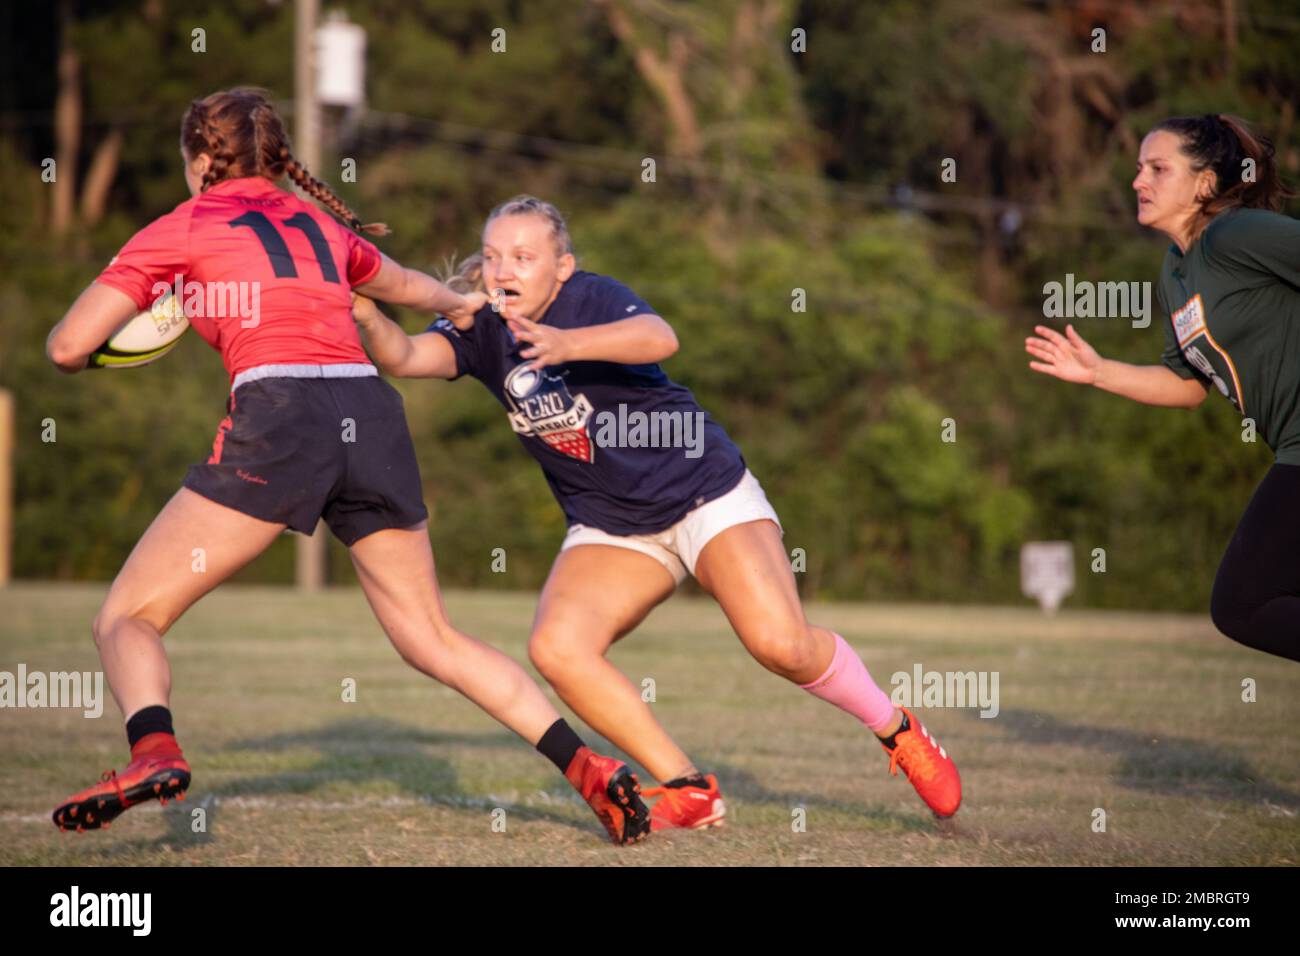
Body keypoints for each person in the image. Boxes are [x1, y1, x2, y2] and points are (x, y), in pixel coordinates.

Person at [45, 91, 650, 844]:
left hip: (281, 418)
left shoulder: (182, 226)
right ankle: (587, 767)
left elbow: (68, 346)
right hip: (371, 417)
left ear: (201, 161)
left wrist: (127, 326)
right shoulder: (319, 225)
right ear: (279, 158)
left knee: (126, 617)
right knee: (433, 639)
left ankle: (153, 750)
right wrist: (466, 312)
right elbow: (410, 288)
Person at [352, 194, 962, 832]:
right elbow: (403, 357)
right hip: (612, 527)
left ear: (562, 267)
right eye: (494, 256)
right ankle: (690, 789)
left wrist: (566, 343)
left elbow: (659, 336)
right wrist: (366, 310)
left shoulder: (587, 298)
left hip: (704, 493)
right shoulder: (481, 329)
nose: (504, 269)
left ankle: (895, 728)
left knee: (781, 646)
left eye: (524, 257)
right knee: (558, 649)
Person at [1026, 113, 1300, 663]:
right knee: (1246, 603)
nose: (1138, 181)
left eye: (1157, 167)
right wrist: (1099, 371)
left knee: (1242, 603)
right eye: (1138, 168)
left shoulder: (1235, 232)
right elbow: (1188, 382)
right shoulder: (1175, 270)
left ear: (1203, 183)